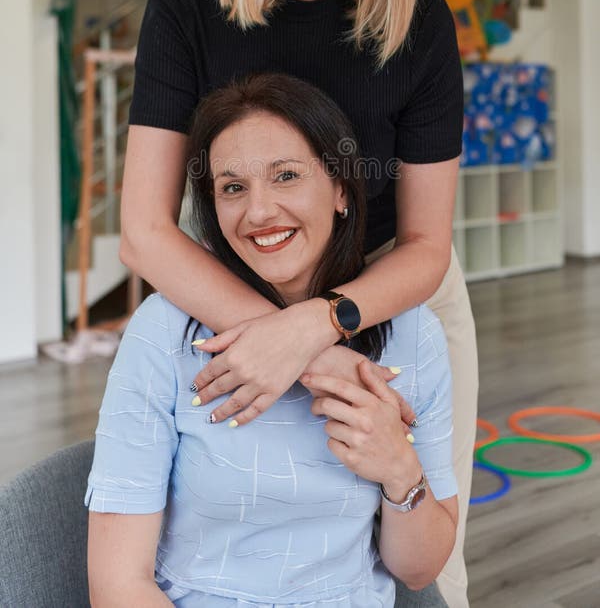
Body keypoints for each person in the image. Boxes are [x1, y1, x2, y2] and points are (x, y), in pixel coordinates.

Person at [121, 0, 477, 607]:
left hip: (391, 293)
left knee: (429, 554)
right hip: (232, 285)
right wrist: (287, 337)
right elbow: (145, 230)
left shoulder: (420, 18)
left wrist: (321, 325)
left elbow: (426, 243)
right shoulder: (187, 3)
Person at [88, 73, 458, 606]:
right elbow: (118, 585)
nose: (258, 212)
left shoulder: (412, 336)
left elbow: (418, 573)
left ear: (340, 189)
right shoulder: (164, 332)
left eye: (286, 176)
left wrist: (400, 469)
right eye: (233, 187)